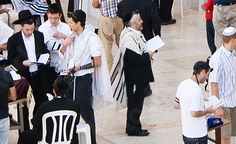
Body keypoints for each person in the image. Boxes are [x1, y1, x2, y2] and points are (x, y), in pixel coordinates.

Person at [61, 10, 106, 144]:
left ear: (78, 23)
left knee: (86, 112)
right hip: (70, 78)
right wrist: (65, 43)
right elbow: (63, 53)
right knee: (69, 111)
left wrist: (79, 68)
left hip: (83, 79)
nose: (69, 25)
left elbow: (97, 62)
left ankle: (91, 141)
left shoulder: (91, 38)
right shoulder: (72, 35)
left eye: (70, 22)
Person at [110, 12, 153, 136]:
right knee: (135, 104)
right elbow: (133, 59)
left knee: (137, 103)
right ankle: (133, 129)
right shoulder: (129, 38)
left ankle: (135, 126)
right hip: (135, 77)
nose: (142, 21)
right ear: (133, 23)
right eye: (139, 20)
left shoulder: (133, 34)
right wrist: (147, 55)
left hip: (138, 76)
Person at [6, 15, 50, 118]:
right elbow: (11, 58)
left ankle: (37, 122)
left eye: (32, 29)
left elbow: (43, 49)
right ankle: (24, 129)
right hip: (24, 75)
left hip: (38, 73)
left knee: (42, 99)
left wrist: (46, 57)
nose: (30, 32)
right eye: (27, 29)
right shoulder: (13, 39)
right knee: (23, 104)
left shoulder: (39, 35)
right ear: (21, 27)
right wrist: (22, 63)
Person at [20, 77, 81, 144]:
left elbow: (35, 122)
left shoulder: (46, 106)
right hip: (67, 136)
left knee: (23, 136)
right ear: (66, 90)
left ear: (54, 91)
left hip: (48, 136)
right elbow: (76, 122)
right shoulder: (75, 105)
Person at [91, 0, 126, 69]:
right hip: (121, 18)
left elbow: (95, 3)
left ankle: (110, 71)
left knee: (106, 47)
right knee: (122, 44)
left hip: (107, 18)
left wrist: (103, 5)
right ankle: (125, 67)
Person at [210, 27, 236, 142]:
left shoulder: (232, 54)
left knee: (230, 134)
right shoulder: (217, 58)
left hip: (232, 99)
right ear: (232, 40)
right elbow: (213, 83)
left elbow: (233, 75)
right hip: (223, 102)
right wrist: (218, 106)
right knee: (224, 137)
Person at [175, 61, 216, 144]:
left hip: (186, 133)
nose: (207, 78)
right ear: (203, 72)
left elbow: (176, 105)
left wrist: (199, 101)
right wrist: (208, 111)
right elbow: (194, 113)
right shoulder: (196, 90)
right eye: (207, 75)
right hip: (198, 134)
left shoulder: (182, 84)